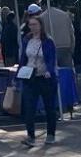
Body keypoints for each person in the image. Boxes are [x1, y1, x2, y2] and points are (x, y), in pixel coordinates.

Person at [13, 13, 59, 147]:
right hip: (30, 77)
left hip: (44, 78)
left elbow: (51, 58)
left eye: (35, 24)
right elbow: (23, 58)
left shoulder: (48, 41)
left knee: (49, 107)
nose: (32, 27)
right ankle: (30, 136)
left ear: (41, 26)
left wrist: (50, 72)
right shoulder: (26, 39)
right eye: (30, 24)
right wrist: (18, 75)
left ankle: (51, 134)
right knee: (29, 108)